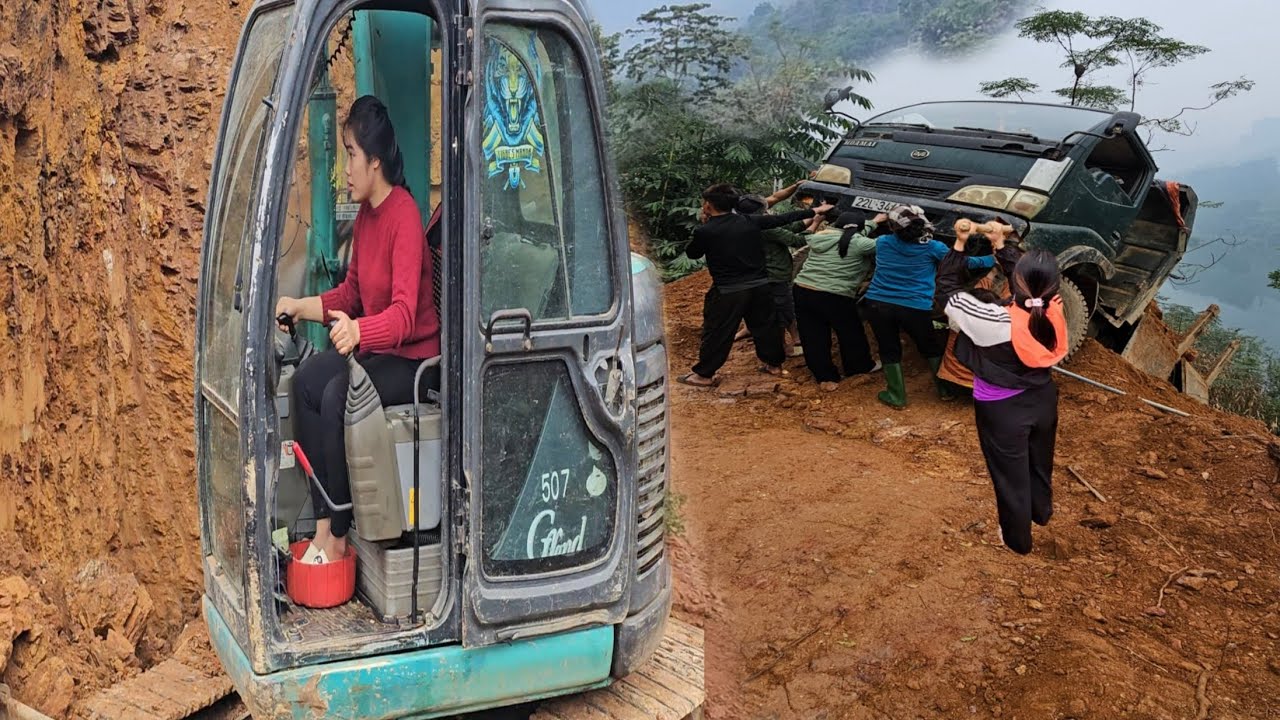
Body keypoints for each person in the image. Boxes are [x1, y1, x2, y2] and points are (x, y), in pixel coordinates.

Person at [274, 95, 441, 565]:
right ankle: (324, 524)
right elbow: (351, 293)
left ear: (375, 161)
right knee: (307, 384)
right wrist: (301, 307)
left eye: (350, 154)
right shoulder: (368, 214)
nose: (344, 167)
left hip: (414, 361)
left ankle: (342, 536)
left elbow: (407, 314)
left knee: (335, 395)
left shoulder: (403, 216)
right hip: (380, 352)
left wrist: (361, 333)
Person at [939, 220, 1068, 555]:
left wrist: (959, 243)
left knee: (1010, 476)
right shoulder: (1052, 308)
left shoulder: (992, 320)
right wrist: (1001, 243)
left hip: (1002, 409)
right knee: (1040, 461)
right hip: (1043, 399)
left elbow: (945, 292)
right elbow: (1027, 286)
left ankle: (1017, 541)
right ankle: (1041, 512)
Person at [678, 183, 832, 387]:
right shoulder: (750, 221)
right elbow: (782, 218)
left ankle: (704, 374)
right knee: (766, 326)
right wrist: (816, 210)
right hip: (760, 285)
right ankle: (774, 365)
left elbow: (693, 253)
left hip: (728, 290)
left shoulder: (706, 231)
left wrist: (705, 225)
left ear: (708, 206)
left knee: (718, 331)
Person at [860, 205, 994, 408]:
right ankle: (945, 390)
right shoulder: (934, 247)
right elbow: (965, 263)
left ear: (894, 227)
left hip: (878, 303)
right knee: (929, 346)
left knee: (888, 348)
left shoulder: (883, 242)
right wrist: (992, 258)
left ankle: (896, 395)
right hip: (914, 306)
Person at [792, 210, 880, 391]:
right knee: (850, 332)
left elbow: (850, 235)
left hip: (802, 289)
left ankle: (824, 376)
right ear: (860, 229)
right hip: (834, 294)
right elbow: (880, 244)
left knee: (812, 335)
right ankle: (859, 367)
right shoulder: (862, 244)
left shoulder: (818, 238)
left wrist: (873, 222)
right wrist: (876, 223)